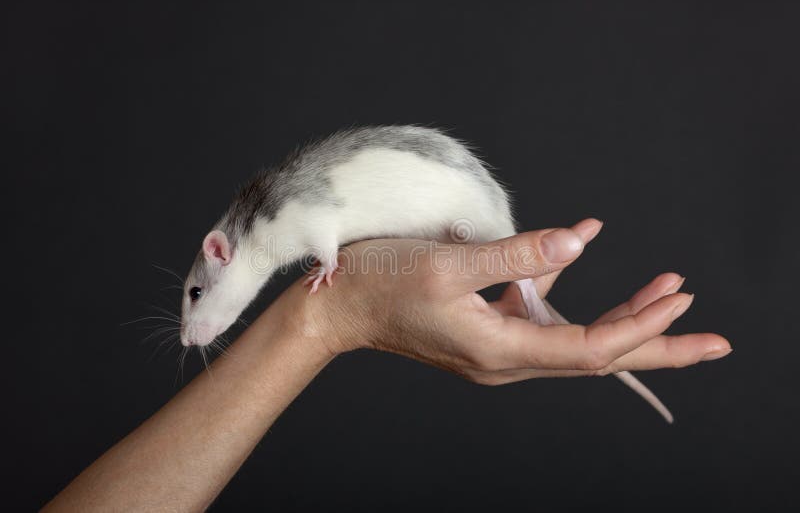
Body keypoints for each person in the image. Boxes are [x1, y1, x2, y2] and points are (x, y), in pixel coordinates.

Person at [43, 219, 730, 511]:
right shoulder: (271, 241)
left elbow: (323, 229)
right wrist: (333, 310)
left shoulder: (267, 228)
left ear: (219, 251)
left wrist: (333, 299)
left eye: (196, 299)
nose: (193, 330)